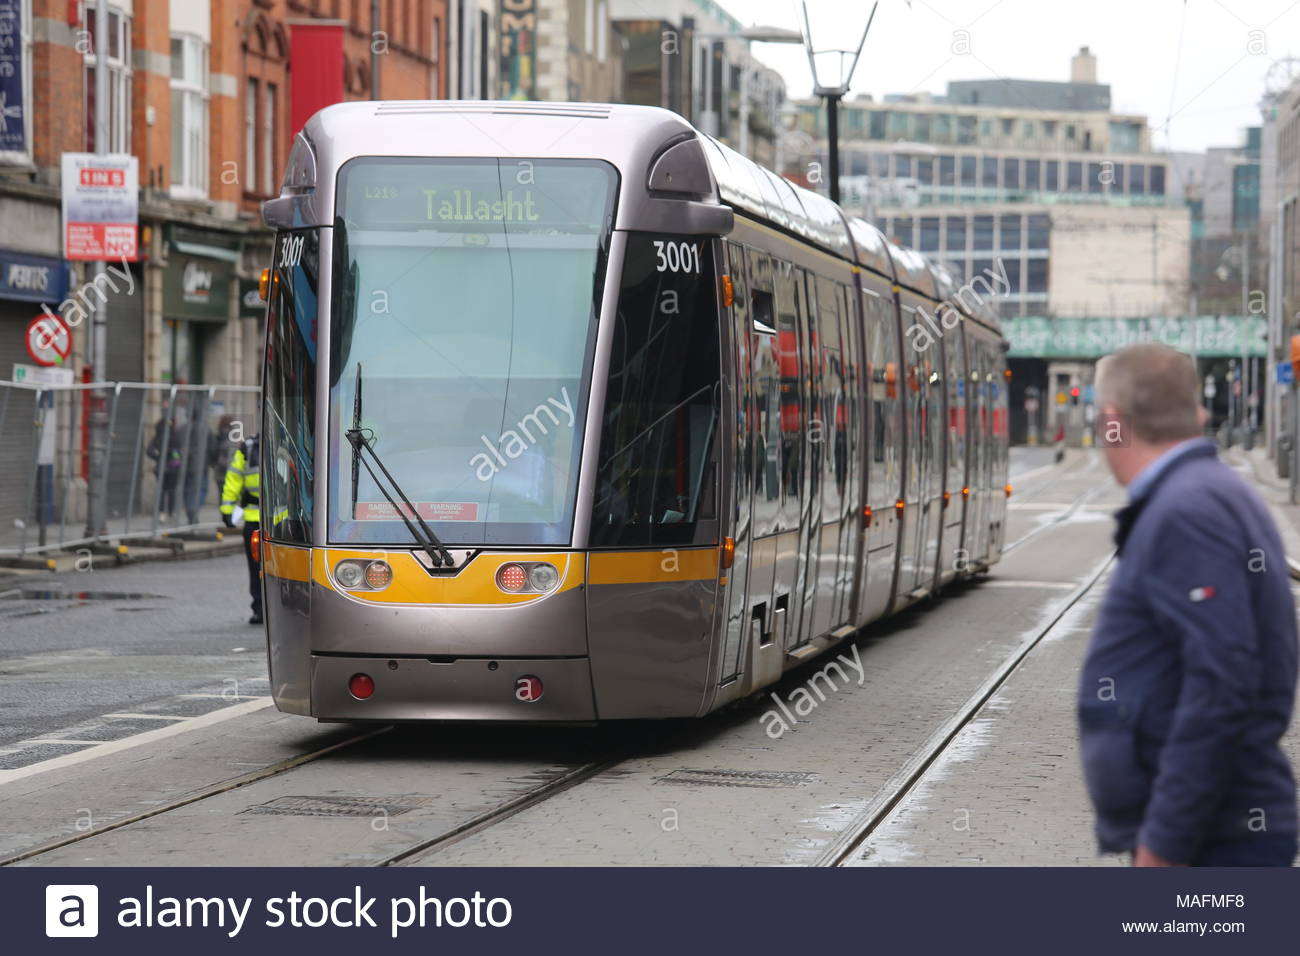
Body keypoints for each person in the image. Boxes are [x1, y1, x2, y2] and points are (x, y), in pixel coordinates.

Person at [1079, 343, 1298, 867]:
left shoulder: (1187, 511)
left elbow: (1221, 686)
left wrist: (1164, 845)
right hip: (1218, 831)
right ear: (1195, 414)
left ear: (1113, 424)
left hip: (1211, 842)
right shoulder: (1209, 491)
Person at [220, 434, 262, 624]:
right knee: (255, 568)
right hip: (254, 518)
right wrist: (227, 510)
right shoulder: (248, 448)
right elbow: (234, 478)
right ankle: (259, 608)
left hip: (283, 519)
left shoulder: (289, 440)